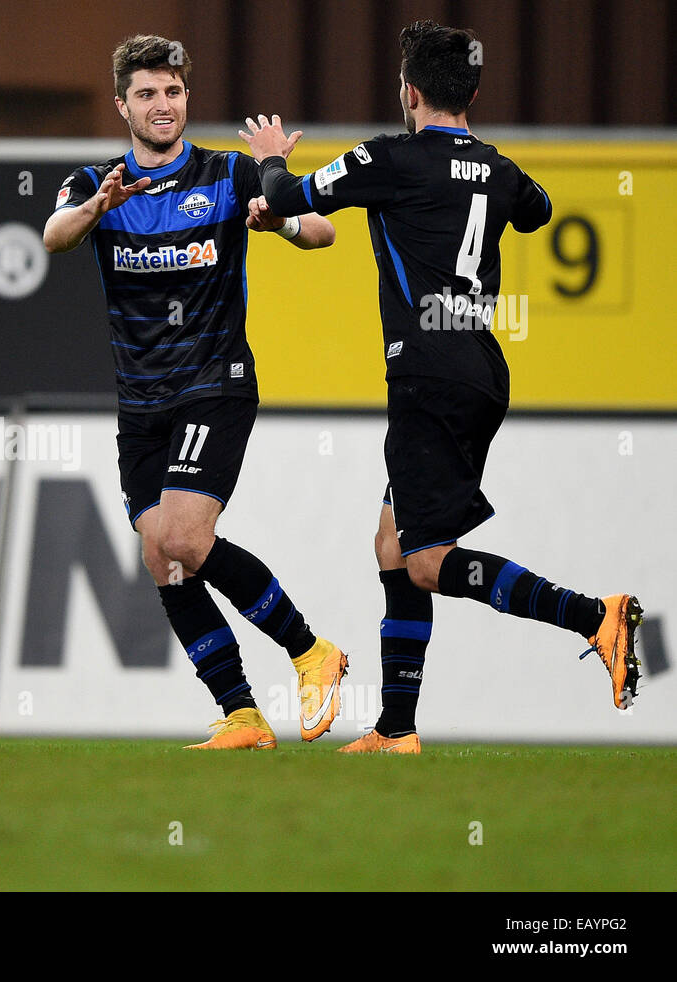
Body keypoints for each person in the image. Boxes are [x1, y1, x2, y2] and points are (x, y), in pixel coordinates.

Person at [242, 20, 642, 753]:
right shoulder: (496, 167)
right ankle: (396, 730)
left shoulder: (390, 158)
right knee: (394, 544)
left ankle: (594, 615)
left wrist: (269, 161)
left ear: (411, 92)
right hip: (480, 366)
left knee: (426, 561)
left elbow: (289, 190)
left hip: (427, 373)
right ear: (474, 94)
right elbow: (541, 209)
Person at [43, 34, 347, 749]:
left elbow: (323, 230)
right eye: (146, 94)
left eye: (173, 92)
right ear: (122, 104)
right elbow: (54, 236)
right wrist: (96, 210)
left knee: (184, 536)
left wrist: (280, 217)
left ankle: (311, 653)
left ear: (187, 98)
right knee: (164, 557)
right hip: (141, 404)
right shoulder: (96, 182)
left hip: (216, 385)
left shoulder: (229, 174)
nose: (162, 105)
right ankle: (242, 715)